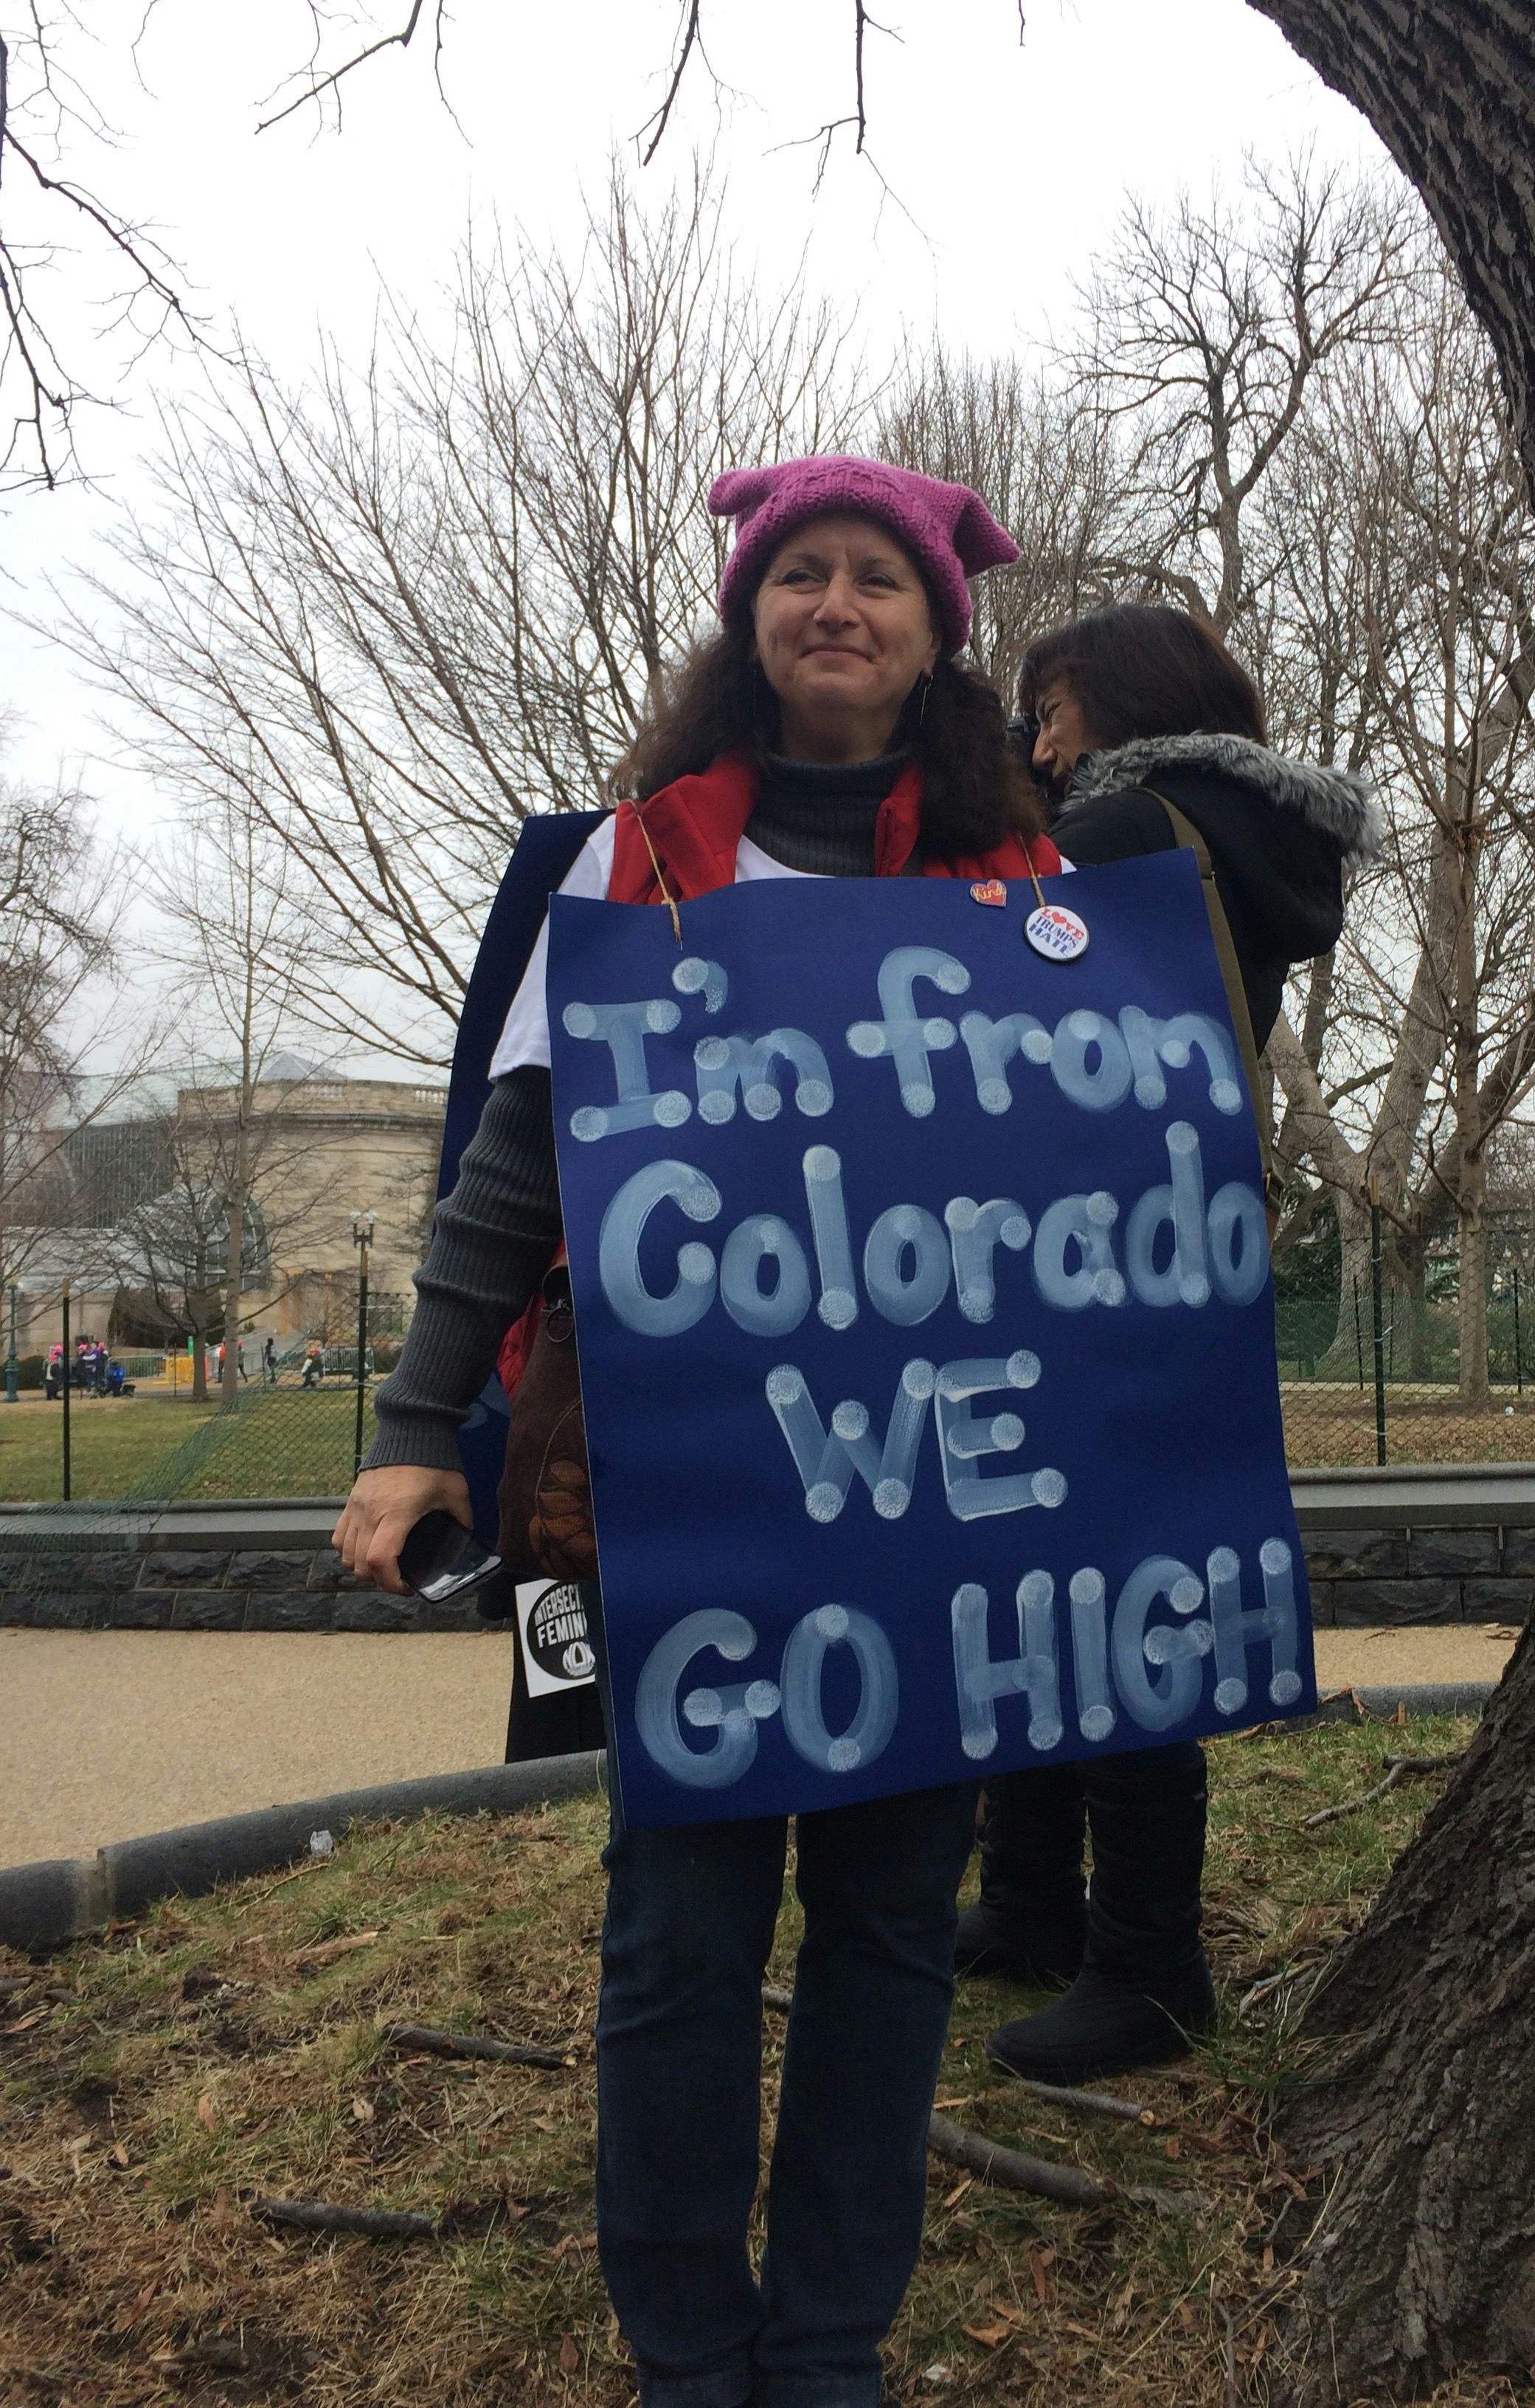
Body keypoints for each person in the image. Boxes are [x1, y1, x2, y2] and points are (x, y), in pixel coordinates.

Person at [332, 455, 1059, 2408]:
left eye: (878, 581)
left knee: (897, 1928)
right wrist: (416, 1430)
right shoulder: (639, 863)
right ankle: (687, 2351)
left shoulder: (1023, 885)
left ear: (937, 633)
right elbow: (514, 1167)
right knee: (680, 1931)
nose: (838, 604)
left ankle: (829, 2347)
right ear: (749, 620)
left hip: (936, 1500)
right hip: (684, 1495)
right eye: (799, 575)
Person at [952, 601, 1377, 2088]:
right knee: (1092, 1568)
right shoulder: (1228, 834)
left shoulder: (1124, 827)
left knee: (1079, 1580)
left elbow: (1010, 1015)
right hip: (1166, 1246)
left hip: (1079, 1252)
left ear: (1115, 706)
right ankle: (1032, 1904)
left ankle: (1141, 1958)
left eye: (1051, 703)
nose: (1040, 735)